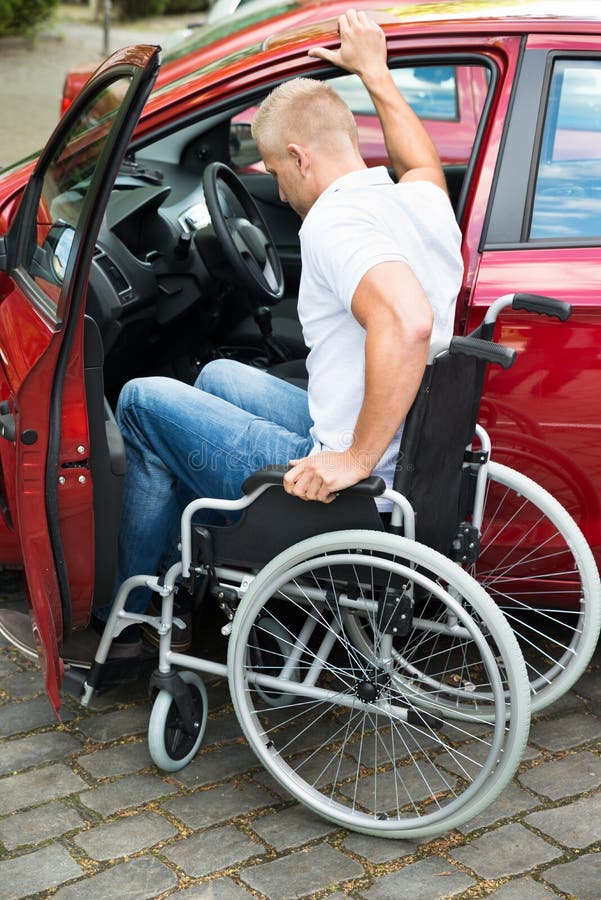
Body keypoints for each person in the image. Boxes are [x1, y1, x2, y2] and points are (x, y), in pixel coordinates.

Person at [0, 10, 463, 672]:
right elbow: (417, 157)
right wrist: (375, 73)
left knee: (141, 400)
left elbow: (406, 319)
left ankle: (125, 625)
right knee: (216, 376)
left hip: (351, 483)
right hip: (409, 447)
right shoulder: (413, 199)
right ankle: (184, 591)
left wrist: (353, 459)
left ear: (300, 157)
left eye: (275, 168)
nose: (276, 184)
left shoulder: (337, 223)